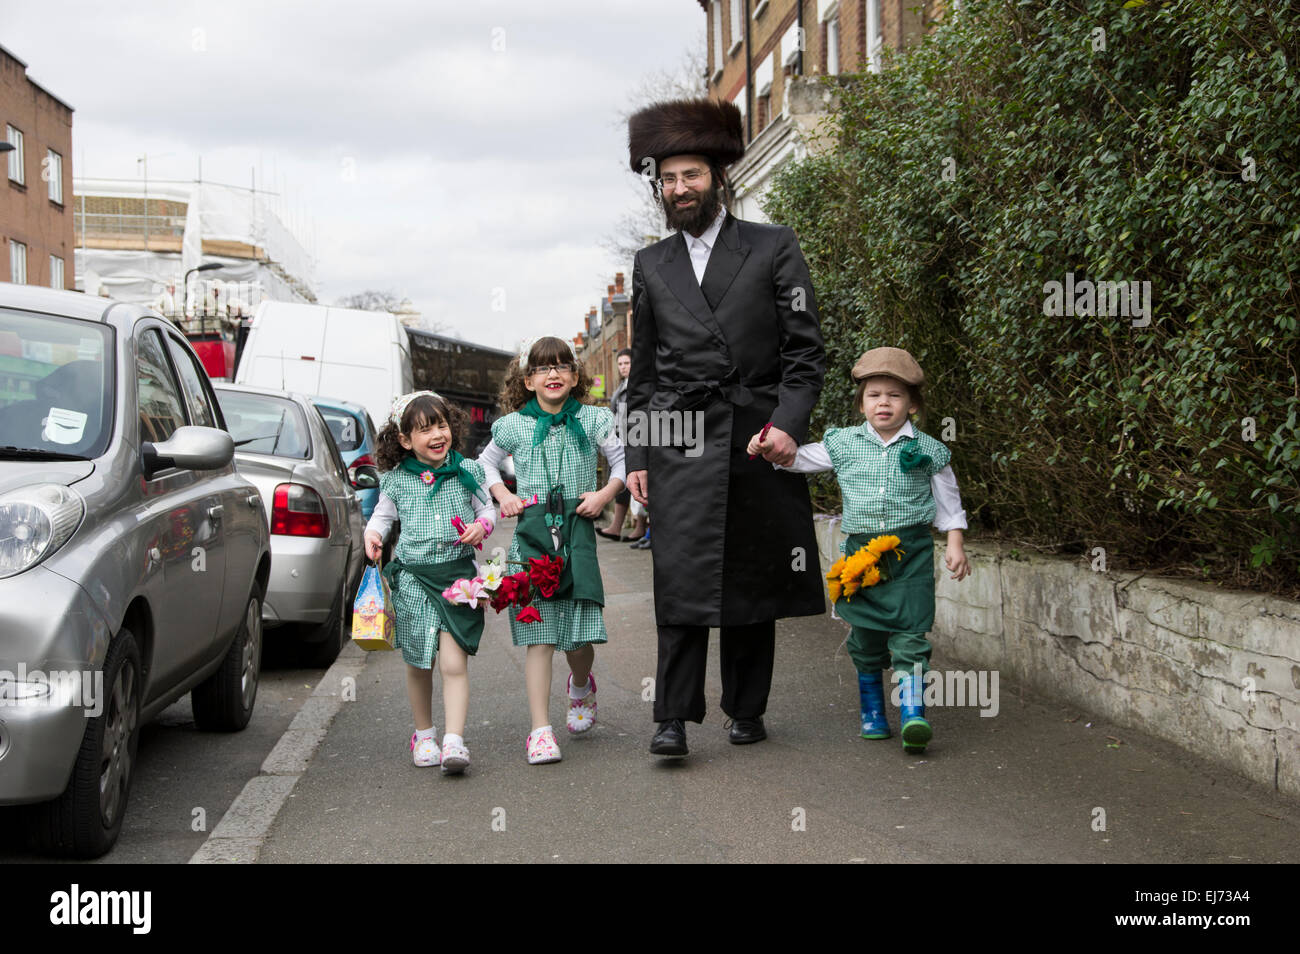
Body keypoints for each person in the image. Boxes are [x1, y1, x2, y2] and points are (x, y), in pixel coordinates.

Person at [625, 98, 827, 757]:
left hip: (753, 433)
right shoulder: (651, 263)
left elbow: (804, 353)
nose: (679, 188)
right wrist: (638, 456)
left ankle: (747, 709)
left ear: (718, 177)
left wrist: (789, 427)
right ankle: (672, 719)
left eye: (691, 175)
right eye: (668, 179)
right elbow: (646, 373)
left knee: (751, 577)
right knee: (679, 578)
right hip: (678, 436)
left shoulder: (773, 246)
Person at [750, 347, 970, 753]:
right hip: (860, 557)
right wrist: (768, 445)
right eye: (874, 395)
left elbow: (949, 504)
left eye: (895, 395)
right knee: (866, 637)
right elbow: (796, 459)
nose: (883, 402)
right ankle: (872, 710)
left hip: (912, 555)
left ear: (913, 405)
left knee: (910, 636)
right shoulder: (844, 443)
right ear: (861, 403)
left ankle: (913, 713)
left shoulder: (930, 451)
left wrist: (955, 543)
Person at [479, 336, 626, 764]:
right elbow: (485, 463)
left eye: (562, 366)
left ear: (575, 376)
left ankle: (581, 684)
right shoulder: (513, 426)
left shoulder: (596, 420)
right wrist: (502, 494)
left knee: (578, 636)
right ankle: (541, 730)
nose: (553, 373)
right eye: (543, 368)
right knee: (538, 635)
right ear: (528, 381)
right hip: (532, 534)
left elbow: (621, 464)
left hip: (578, 529)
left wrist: (603, 495)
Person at [363, 391, 495, 772]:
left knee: (454, 662)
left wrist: (481, 525)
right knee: (420, 661)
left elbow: (487, 507)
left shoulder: (467, 470)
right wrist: (373, 536)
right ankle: (424, 735)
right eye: (425, 430)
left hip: (457, 578)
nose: (437, 435)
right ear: (405, 440)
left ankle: (454, 741)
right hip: (415, 580)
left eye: (441, 425)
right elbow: (382, 518)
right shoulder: (397, 480)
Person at [598, 348, 640, 541]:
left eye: (627, 363)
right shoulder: (623, 385)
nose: (623, 367)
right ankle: (617, 527)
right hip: (621, 439)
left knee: (637, 484)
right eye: (620, 364)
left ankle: (641, 529)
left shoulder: (637, 385)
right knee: (622, 484)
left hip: (634, 439)